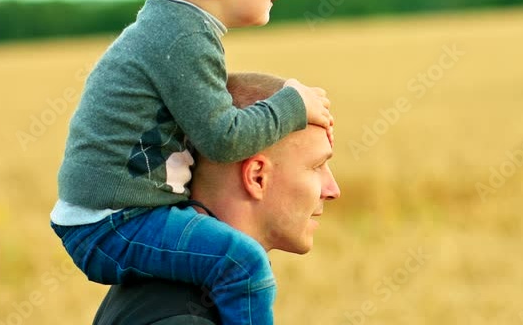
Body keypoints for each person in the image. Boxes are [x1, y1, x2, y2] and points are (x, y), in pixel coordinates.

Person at [50, 0, 335, 325]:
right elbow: (223, 140)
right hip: (113, 222)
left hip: (111, 215)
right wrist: (293, 105)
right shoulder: (185, 37)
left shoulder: (171, 27)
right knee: (241, 265)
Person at [93, 72, 342, 324]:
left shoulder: (153, 289)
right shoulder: (185, 319)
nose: (333, 190)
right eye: (317, 166)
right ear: (257, 177)